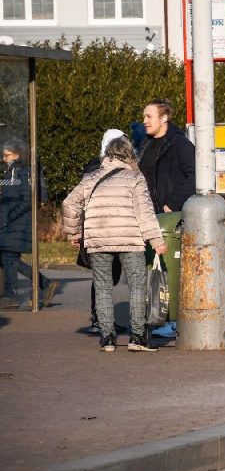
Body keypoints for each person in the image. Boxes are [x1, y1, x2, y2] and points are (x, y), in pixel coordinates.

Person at [62, 135, 167, 352]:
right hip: (130, 240)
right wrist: (156, 240)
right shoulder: (135, 177)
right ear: (129, 154)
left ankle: (107, 338)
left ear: (106, 155)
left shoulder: (91, 178)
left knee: (102, 288)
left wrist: (74, 233)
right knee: (137, 286)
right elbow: (145, 212)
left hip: (98, 239)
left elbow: (69, 203)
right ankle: (137, 337)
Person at [0, 137, 59, 309]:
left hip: (17, 223)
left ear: (17, 156)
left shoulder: (23, 172)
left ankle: (43, 284)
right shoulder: (11, 173)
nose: (4, 159)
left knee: (10, 258)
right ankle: (12, 293)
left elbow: (26, 200)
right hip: (11, 223)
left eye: (7, 155)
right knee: (7, 258)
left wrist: (7, 216)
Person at [84, 129, 131, 333]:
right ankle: (101, 320)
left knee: (106, 277)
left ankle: (102, 321)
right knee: (105, 278)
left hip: (102, 228)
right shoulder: (99, 168)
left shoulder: (93, 168)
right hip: (106, 230)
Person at [138, 99, 196, 213]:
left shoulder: (180, 144)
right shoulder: (144, 145)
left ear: (164, 118)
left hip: (170, 217)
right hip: (147, 215)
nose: (144, 121)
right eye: (144, 117)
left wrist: (172, 204)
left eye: (149, 116)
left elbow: (194, 176)